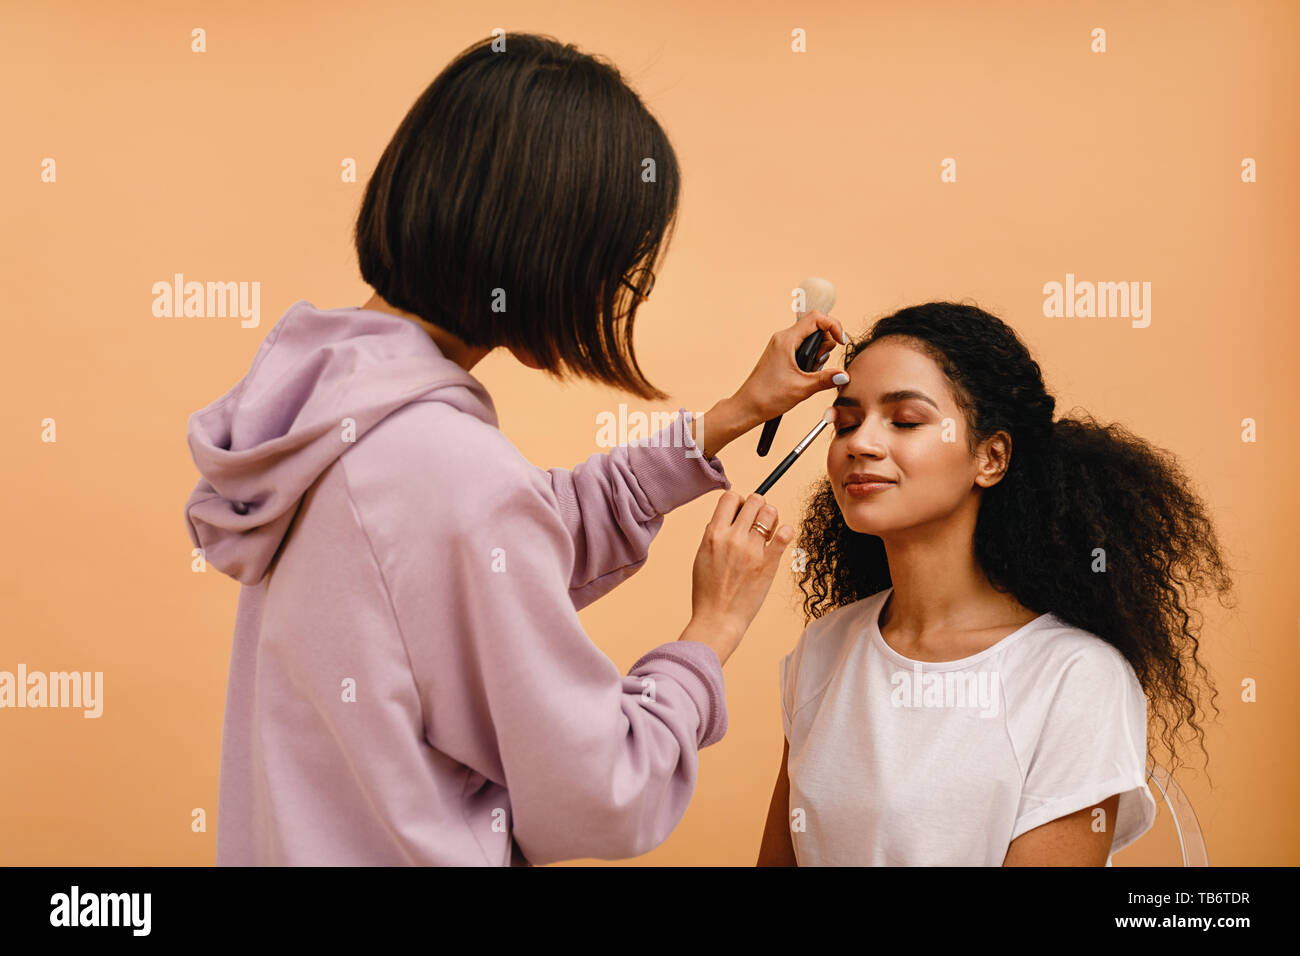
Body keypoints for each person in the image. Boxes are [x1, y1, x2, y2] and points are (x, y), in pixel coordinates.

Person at [183, 31, 849, 866]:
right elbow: (603, 793)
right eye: (616, 265)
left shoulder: (331, 409)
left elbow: (497, 550)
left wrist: (731, 415)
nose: (613, 295)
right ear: (546, 247)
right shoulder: (446, 472)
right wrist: (709, 632)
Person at [757, 302, 1234, 866]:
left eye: (905, 420)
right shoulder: (824, 649)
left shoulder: (1074, 677)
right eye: (845, 421)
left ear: (991, 457)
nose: (861, 443)